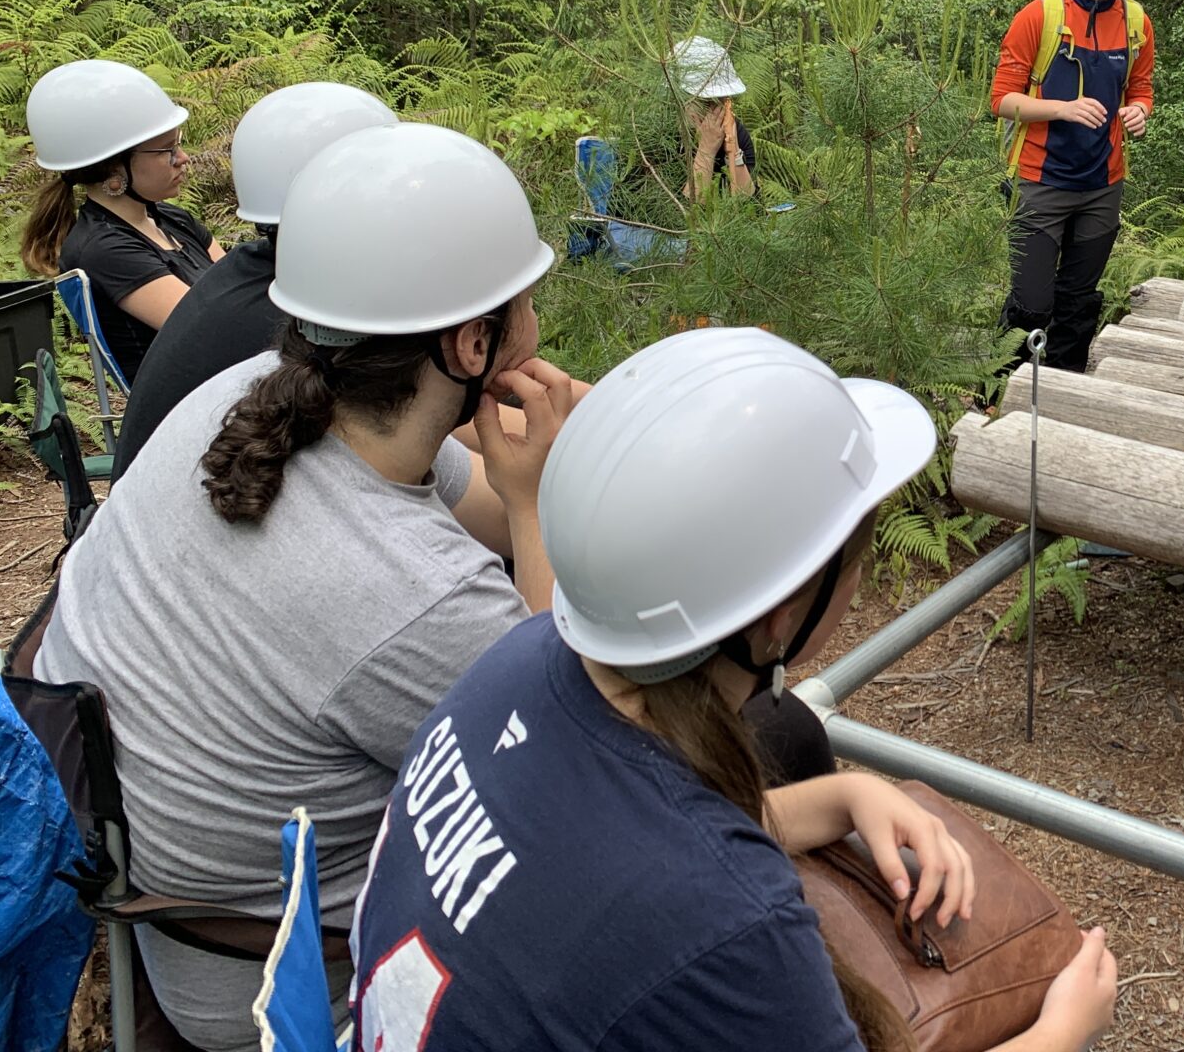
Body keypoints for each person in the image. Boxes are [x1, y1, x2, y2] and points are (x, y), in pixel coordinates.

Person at [350, 327, 1118, 1052]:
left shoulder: (520, 659)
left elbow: (605, 851)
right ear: (782, 617)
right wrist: (1060, 1031)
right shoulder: (734, 922)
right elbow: (666, 880)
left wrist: (843, 799)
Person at [35, 122, 568, 1050]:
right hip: (286, 985)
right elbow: (572, 771)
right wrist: (538, 510)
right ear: (474, 343)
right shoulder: (421, 601)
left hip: (163, 904)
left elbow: (464, 498)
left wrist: (542, 477)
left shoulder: (254, 394)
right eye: (521, 303)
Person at [111, 82, 399, 482]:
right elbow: (404, 422)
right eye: (165, 149)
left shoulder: (251, 268)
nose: (183, 159)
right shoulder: (302, 313)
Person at [991, 0, 1156, 372]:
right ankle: (1001, 391)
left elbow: (1141, 88)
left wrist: (1140, 113)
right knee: (1031, 304)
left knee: (1079, 299)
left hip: (1102, 184)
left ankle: (1062, 394)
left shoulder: (1137, 22)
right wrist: (1061, 109)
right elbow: (1002, 100)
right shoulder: (1039, 15)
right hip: (1039, 182)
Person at [21, 59, 224, 381]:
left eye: (179, 143)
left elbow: (238, 285)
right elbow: (212, 326)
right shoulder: (104, 249)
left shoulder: (172, 219)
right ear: (113, 168)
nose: (183, 159)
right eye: (166, 150)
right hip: (189, 404)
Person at [670, 34, 757, 199]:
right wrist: (706, 150)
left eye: (721, 100)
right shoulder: (656, 138)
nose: (715, 110)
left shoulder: (735, 131)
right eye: (705, 101)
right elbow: (681, 215)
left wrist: (734, 151)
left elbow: (750, 206)